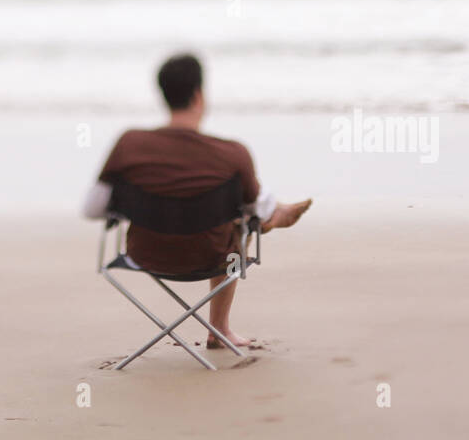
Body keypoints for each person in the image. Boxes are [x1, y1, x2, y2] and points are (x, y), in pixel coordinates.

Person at [82, 54, 311, 349]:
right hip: (211, 257)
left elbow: (92, 209)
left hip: (143, 255)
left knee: (242, 214)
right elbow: (256, 206)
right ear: (199, 95)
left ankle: (274, 213)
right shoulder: (232, 153)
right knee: (246, 220)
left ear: (163, 94)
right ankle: (220, 329)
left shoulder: (129, 144)